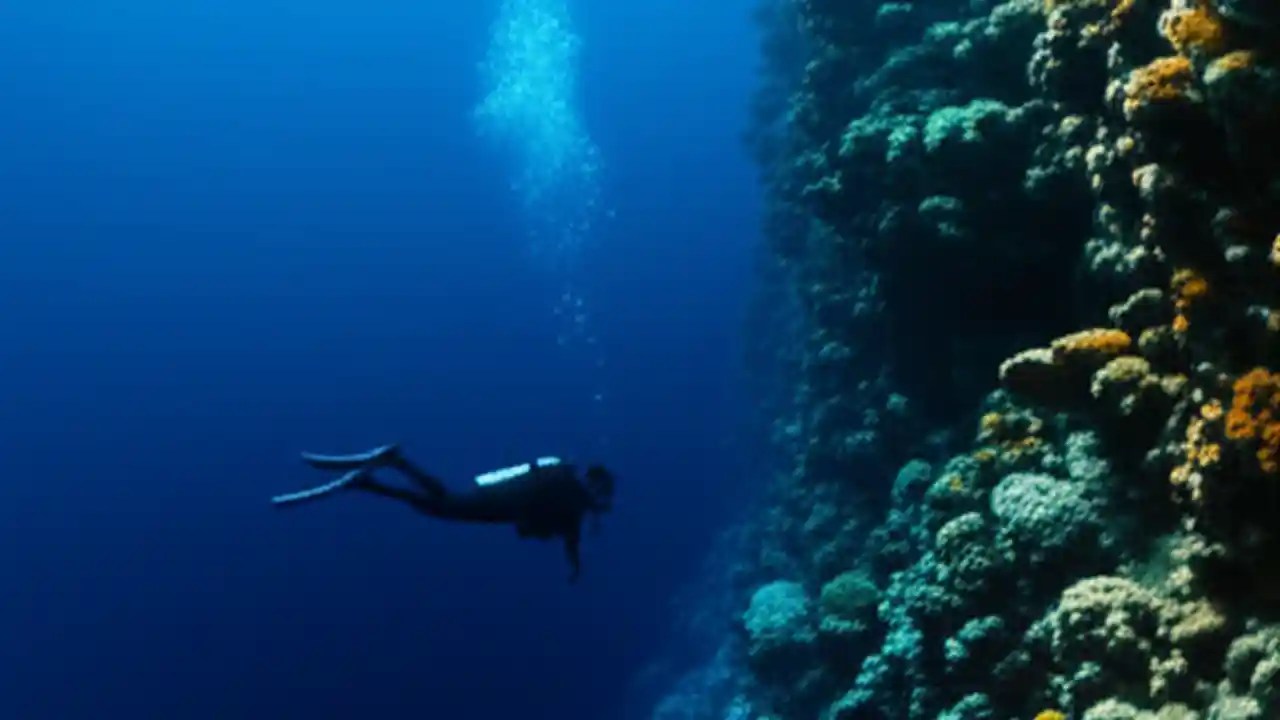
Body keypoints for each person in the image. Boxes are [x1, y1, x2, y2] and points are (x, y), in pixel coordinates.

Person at [271, 444, 615, 583]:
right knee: (443, 503)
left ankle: (371, 482)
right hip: (501, 503)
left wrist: (575, 566)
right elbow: (569, 532)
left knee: (440, 505)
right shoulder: (571, 495)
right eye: (601, 493)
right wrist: (575, 565)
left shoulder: (572, 497)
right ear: (596, 486)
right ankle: (393, 465)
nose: (600, 500)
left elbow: (570, 538)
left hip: (500, 503)